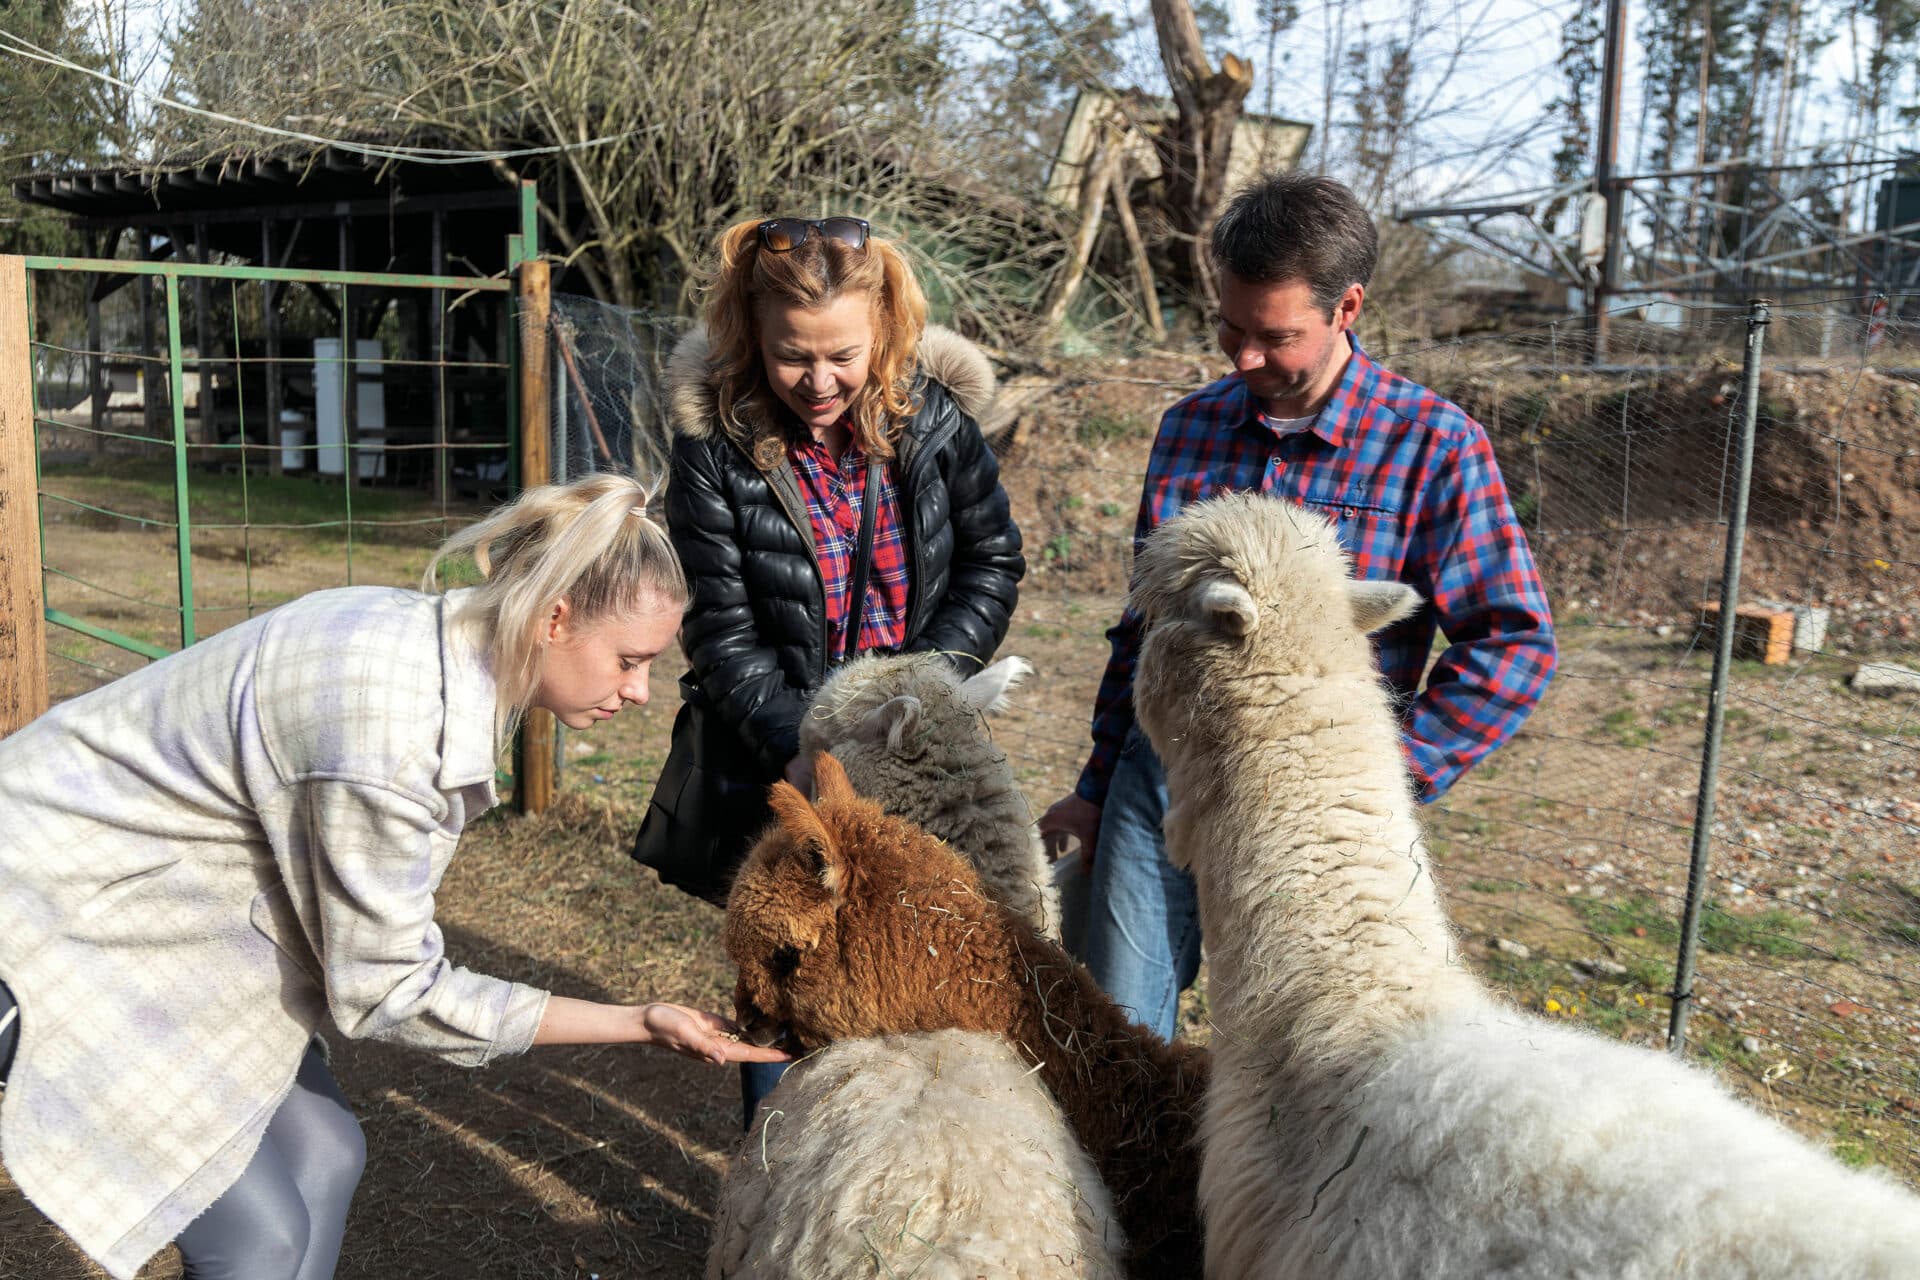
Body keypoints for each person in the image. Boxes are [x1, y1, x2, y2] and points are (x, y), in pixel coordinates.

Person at [0, 474, 787, 1280]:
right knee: (256, 1239)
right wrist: (637, 1022)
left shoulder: (425, 645)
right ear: (555, 618)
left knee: (328, 1152)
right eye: (629, 660)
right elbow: (387, 992)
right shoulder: (390, 734)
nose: (638, 690)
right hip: (46, 907)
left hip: (148, 905)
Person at [1038, 172, 1558, 1042]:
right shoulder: (1188, 428)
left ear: (1346, 306)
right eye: (1228, 327)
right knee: (1120, 1035)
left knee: (1308, 1052)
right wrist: (1095, 787)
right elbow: (1142, 633)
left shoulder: (1434, 444)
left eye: (1273, 337)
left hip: (1312, 808)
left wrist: (1383, 774)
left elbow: (1515, 643)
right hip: (1158, 779)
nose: (1242, 358)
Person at [631, 215, 1024, 1125]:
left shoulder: (938, 422)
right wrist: (809, 746)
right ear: (750, 336)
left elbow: (991, 562)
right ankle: (781, 1184)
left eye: (842, 356)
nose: (819, 382)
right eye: (791, 358)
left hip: (919, 749)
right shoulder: (716, 446)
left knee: (919, 967)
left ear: (884, 330)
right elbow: (721, 628)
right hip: (791, 765)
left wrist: (924, 697)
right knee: (791, 985)